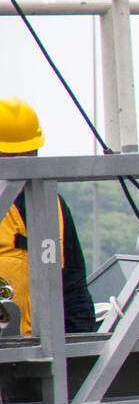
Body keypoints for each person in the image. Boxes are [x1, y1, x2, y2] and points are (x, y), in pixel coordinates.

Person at [0, 98, 96, 335]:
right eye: (10, 155)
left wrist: (82, 344)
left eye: (28, 153)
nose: (21, 162)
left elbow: (73, 286)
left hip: (42, 349)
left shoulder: (52, 205)